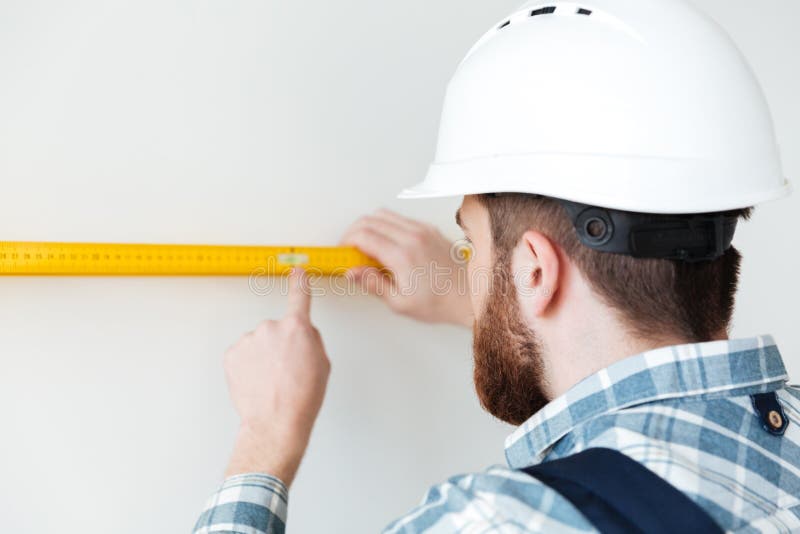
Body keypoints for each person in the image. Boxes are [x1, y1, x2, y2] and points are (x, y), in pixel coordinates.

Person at [193, 0, 799, 532]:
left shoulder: (493, 522)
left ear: (535, 271)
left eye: (470, 245)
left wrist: (264, 442)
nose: (467, 265)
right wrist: (488, 298)